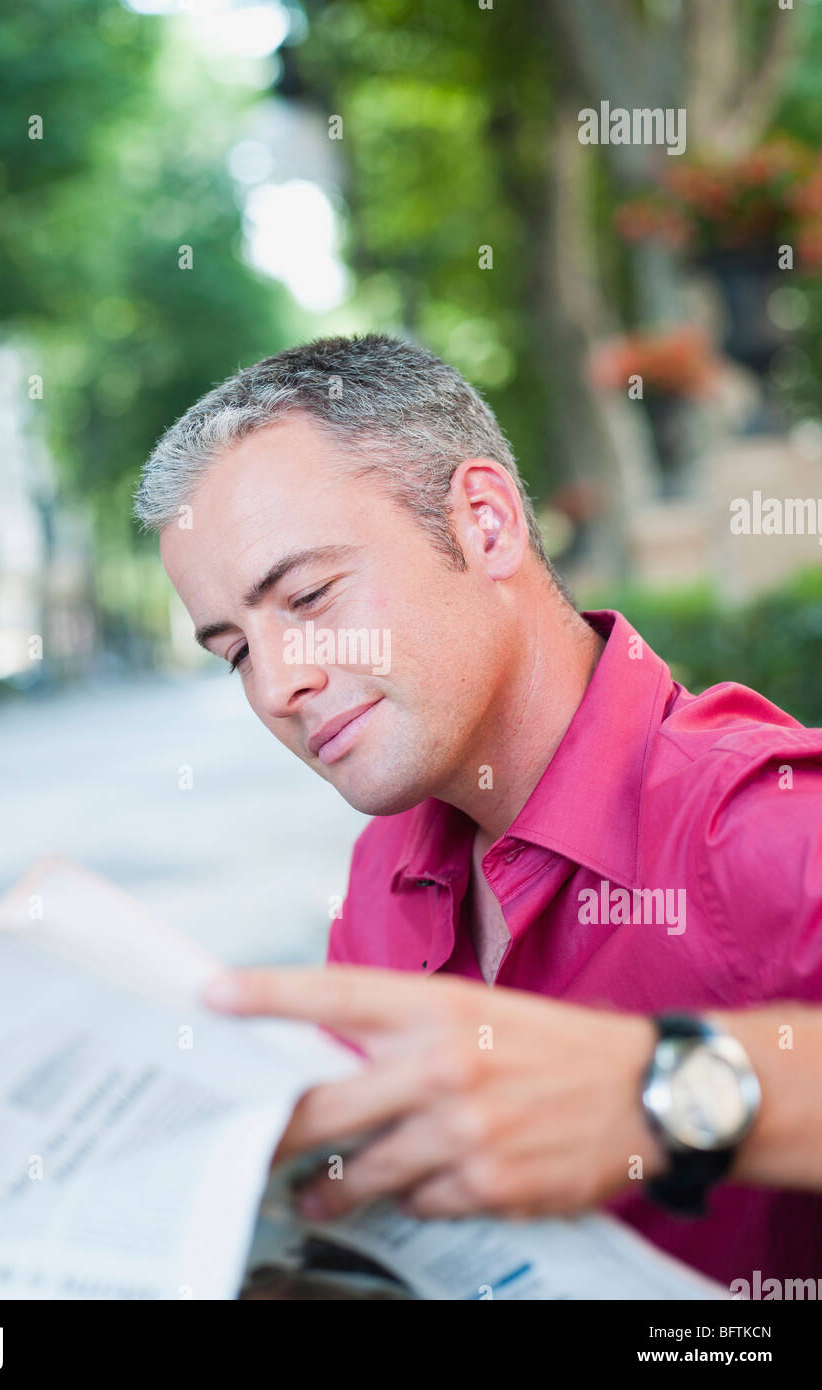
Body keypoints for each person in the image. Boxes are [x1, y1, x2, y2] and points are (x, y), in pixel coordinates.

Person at [136, 334, 822, 1287]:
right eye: (236, 651)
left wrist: (658, 1094)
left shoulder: (758, 821)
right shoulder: (386, 870)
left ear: (486, 524)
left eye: (309, 595)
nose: (279, 684)